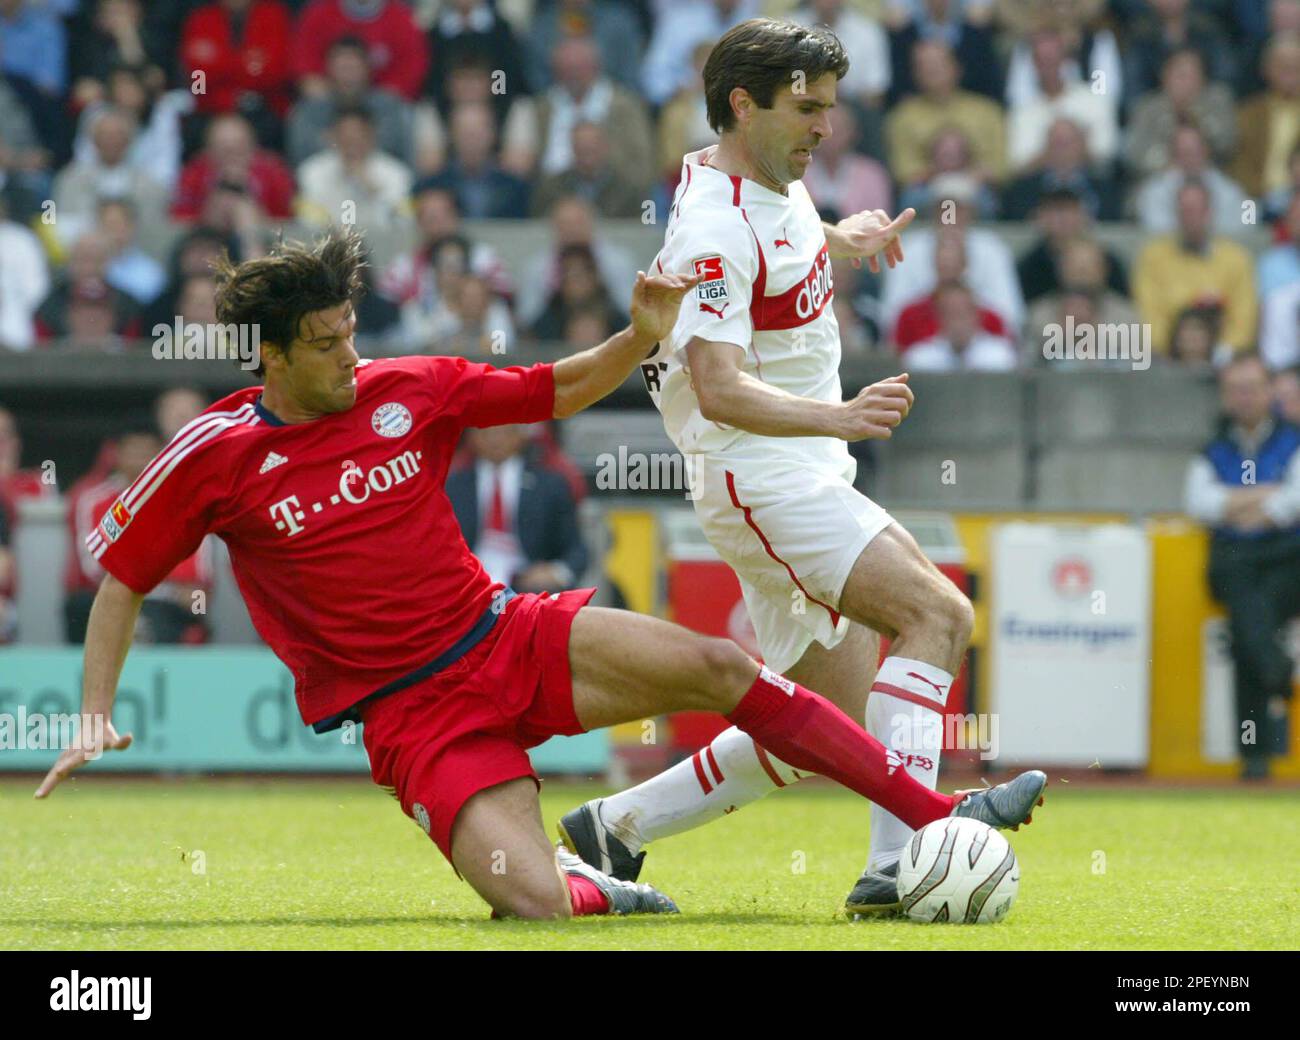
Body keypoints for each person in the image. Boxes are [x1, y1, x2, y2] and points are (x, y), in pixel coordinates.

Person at [35, 225, 1045, 921]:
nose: (350, 355)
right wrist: (92, 710)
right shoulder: (211, 452)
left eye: (350, 332)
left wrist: (639, 338)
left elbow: (556, 387)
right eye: (324, 345)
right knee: (531, 903)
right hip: (410, 714)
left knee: (717, 666)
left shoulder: (409, 388)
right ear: (268, 356)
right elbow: (121, 576)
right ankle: (597, 874)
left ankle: (933, 812)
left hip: (506, 635)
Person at [557, 18, 1044, 918]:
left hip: (797, 466)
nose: (825, 128)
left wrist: (836, 240)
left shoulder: (748, 181)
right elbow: (718, 386)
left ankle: (613, 826)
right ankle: (902, 862)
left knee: (829, 720)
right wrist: (844, 414)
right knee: (938, 614)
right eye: (806, 109)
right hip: (763, 471)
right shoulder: (713, 223)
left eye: (830, 107)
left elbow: (771, 240)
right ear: (744, 104)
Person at [1184, 354, 1300, 779]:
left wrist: (1235, 505)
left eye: (1251, 387)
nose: (1244, 397)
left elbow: (1294, 504)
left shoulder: (1294, 440)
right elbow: (1199, 504)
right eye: (1235, 388)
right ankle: (1275, 668)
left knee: (1247, 621)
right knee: (1247, 596)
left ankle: (1254, 755)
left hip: (1287, 562)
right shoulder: (1213, 447)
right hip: (1234, 564)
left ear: (1269, 391)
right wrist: (1267, 497)